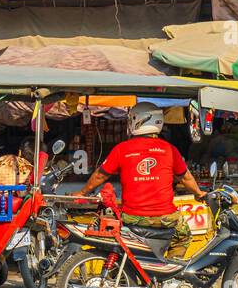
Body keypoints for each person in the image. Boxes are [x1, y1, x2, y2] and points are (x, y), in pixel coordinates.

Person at [79, 101, 207, 255]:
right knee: (183, 237)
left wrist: (83, 192)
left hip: (132, 218)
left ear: (135, 120)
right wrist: (199, 193)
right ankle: (171, 270)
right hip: (165, 218)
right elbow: (185, 178)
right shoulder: (169, 149)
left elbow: (100, 175)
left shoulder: (122, 149)